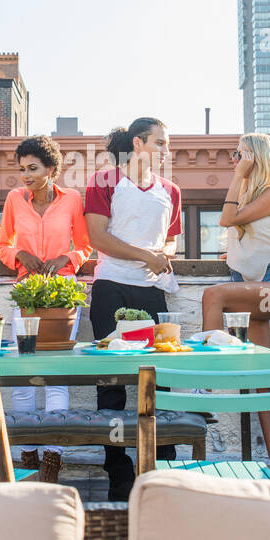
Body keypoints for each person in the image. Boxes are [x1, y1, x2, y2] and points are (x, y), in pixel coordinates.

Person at [83, 116, 182, 501]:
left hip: (151, 292)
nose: (165, 151)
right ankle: (118, 474)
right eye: (160, 143)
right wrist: (145, 254)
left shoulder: (170, 190)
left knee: (157, 380)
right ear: (138, 143)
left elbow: (172, 241)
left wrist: (161, 256)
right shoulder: (105, 182)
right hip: (111, 288)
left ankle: (162, 469)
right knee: (112, 385)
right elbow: (97, 237)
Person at [0, 135, 92, 483]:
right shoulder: (13, 199)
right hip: (26, 293)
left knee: (55, 376)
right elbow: (3, 244)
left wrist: (66, 258)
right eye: (22, 169)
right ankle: (27, 453)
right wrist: (19, 255)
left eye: (33, 169)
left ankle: (54, 457)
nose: (26, 176)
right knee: (24, 374)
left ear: (51, 169)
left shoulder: (72, 201)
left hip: (64, 295)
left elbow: (85, 246)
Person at [201, 132, 270, 460]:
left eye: (239, 154)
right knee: (262, 380)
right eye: (233, 154)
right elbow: (240, 236)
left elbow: (226, 219)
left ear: (257, 157)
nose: (234, 160)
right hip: (250, 292)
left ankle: (204, 388)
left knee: (212, 296)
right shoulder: (246, 194)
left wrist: (238, 176)